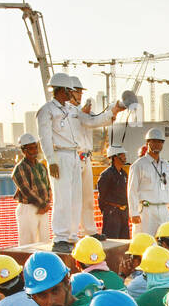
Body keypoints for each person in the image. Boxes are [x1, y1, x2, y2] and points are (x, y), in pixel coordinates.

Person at [36, 73, 124, 252]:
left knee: (76, 198)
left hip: (75, 156)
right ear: (61, 90)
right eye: (69, 90)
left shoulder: (72, 110)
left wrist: (112, 112)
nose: (72, 94)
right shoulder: (46, 110)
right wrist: (50, 159)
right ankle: (60, 237)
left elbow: (92, 121)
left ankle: (71, 235)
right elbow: (44, 137)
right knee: (63, 197)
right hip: (60, 155)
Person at [127, 129, 169, 238]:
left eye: (160, 142)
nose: (157, 144)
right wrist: (134, 213)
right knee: (145, 241)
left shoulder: (166, 165)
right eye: (154, 141)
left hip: (163, 210)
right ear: (147, 143)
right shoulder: (138, 165)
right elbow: (132, 190)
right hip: (146, 211)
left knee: (166, 241)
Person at [12, 131, 52, 246]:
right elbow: (27, 191)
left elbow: (48, 187)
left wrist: (46, 204)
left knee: (44, 243)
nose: (34, 151)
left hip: (43, 209)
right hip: (28, 209)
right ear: (23, 150)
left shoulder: (42, 167)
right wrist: (43, 205)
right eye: (30, 148)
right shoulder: (20, 169)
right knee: (28, 244)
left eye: (35, 148)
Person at [96, 145, 130, 239]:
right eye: (122, 155)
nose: (124, 157)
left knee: (125, 241)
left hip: (123, 213)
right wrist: (108, 210)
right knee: (112, 240)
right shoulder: (106, 175)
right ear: (115, 157)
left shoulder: (124, 174)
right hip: (112, 213)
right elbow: (102, 196)